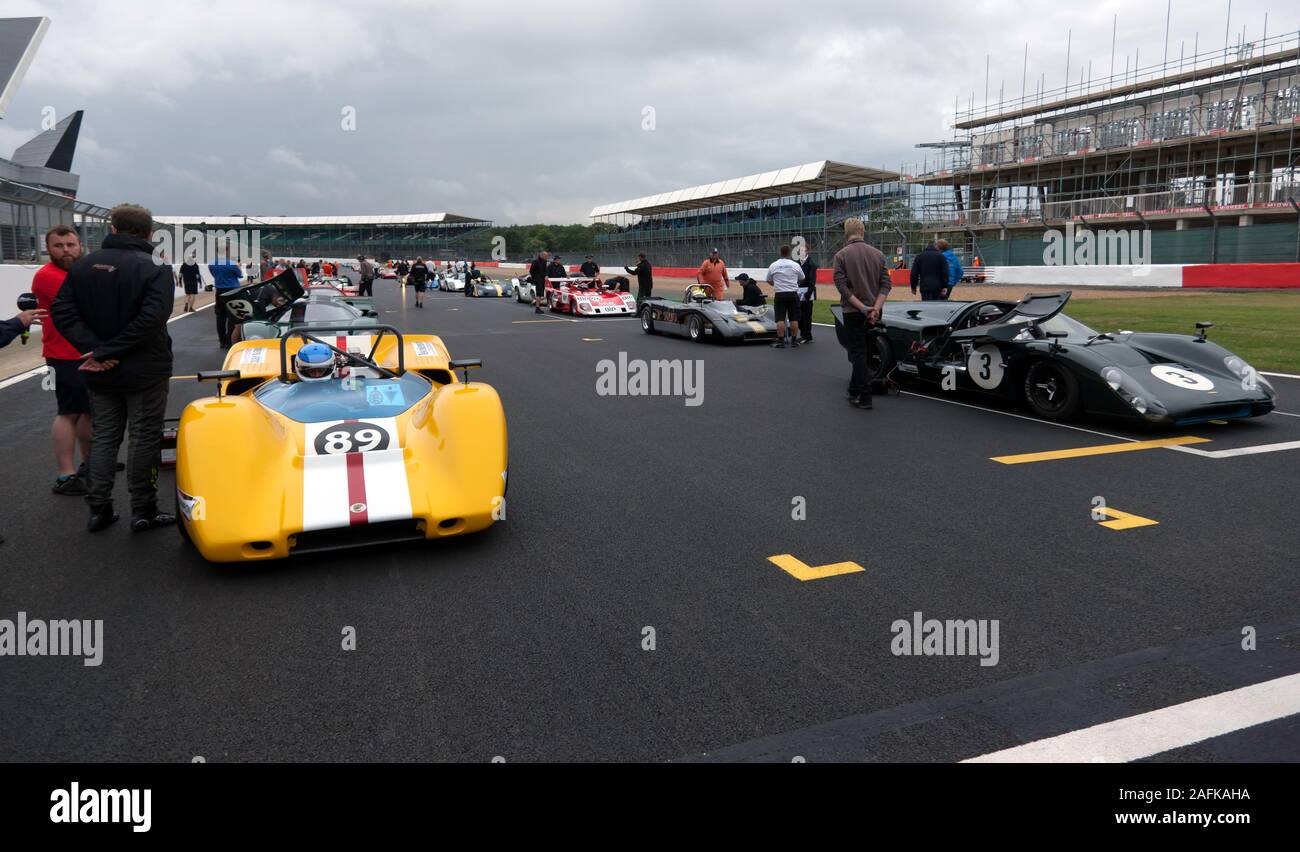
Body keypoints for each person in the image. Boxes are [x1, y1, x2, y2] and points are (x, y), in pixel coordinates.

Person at [50, 203, 176, 533]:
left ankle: (99, 508)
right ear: (149, 234)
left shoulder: (83, 265)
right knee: (144, 438)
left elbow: (62, 313)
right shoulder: (157, 265)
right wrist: (107, 349)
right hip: (145, 367)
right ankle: (143, 509)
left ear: (114, 229)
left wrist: (94, 350)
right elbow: (152, 319)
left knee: (105, 436)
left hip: (100, 368)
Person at [32, 225, 94, 496]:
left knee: (89, 410)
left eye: (70, 245)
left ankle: (89, 463)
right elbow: (88, 303)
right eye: (59, 246)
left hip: (84, 351)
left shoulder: (77, 272)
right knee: (68, 411)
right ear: (49, 249)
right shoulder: (47, 275)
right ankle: (65, 474)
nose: (66, 250)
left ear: (80, 245)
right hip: (63, 353)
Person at [833, 218, 892, 409]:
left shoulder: (841, 255)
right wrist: (875, 307)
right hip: (875, 310)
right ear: (863, 232)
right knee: (865, 353)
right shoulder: (879, 254)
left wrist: (862, 307)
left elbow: (843, 288)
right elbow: (886, 285)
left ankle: (865, 396)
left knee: (858, 353)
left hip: (853, 310)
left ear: (846, 233)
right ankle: (854, 389)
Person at [766, 245, 805, 349]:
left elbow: (768, 280)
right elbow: (802, 277)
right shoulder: (795, 264)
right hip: (792, 293)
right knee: (794, 318)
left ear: (780, 253)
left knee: (780, 319)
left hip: (780, 293)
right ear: (789, 253)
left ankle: (781, 341)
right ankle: (794, 341)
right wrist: (793, 282)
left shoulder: (773, 265)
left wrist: (777, 285)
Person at [208, 245, 244, 347]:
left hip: (219, 291)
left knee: (220, 316)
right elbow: (240, 275)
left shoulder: (212, 264)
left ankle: (222, 341)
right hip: (232, 291)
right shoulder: (231, 264)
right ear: (227, 251)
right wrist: (238, 266)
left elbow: (214, 275)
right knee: (232, 317)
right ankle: (229, 341)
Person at [799, 249, 819, 343]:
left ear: (807, 252)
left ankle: (807, 336)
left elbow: (812, 280)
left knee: (806, 315)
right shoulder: (797, 263)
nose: (801, 253)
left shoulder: (811, 264)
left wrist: (808, 293)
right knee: (799, 315)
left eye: (803, 251)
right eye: (800, 251)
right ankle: (803, 334)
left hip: (807, 293)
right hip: (798, 292)